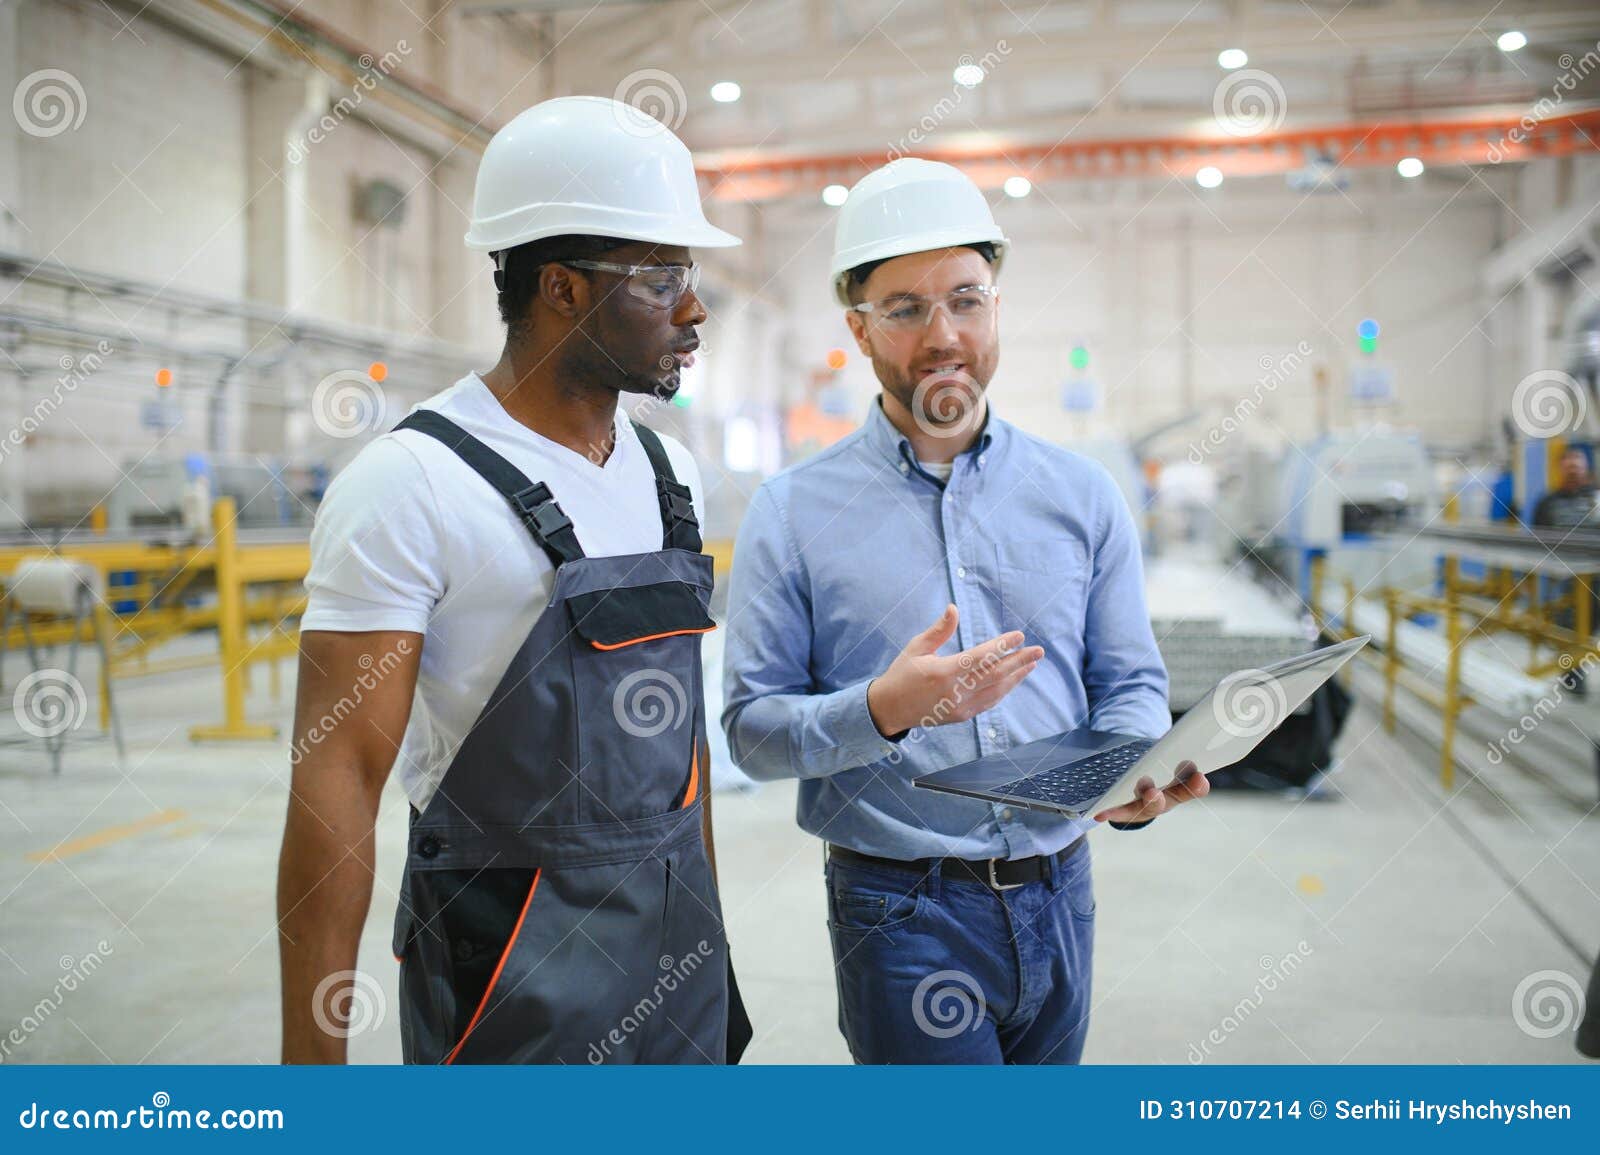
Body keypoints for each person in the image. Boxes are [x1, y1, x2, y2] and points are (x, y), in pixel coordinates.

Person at [277, 96, 745, 1064]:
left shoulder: (672, 478)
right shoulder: (412, 485)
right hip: (510, 975)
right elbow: (338, 783)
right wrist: (309, 1075)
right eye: (661, 278)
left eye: (688, 276)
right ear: (563, 289)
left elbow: (681, 765)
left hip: (677, 969)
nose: (694, 308)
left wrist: (709, 948)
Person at [721, 158, 1205, 1065]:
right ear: (858, 330)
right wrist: (886, 709)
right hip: (901, 909)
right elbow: (752, 730)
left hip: (1062, 892)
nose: (944, 334)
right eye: (905, 308)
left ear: (996, 306)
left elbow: (1130, 681)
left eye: (967, 300)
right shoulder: (791, 513)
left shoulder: (1082, 494)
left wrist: (1134, 771)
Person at [1531, 447, 1598, 529]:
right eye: (1569, 468)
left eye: (1576, 467)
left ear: (1586, 468)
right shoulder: (1546, 503)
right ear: (1561, 468)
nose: (1573, 462)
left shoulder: (1597, 498)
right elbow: (1538, 538)